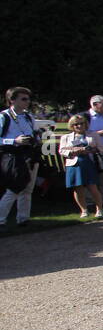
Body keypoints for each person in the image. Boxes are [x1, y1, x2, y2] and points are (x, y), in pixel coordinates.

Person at [0, 86, 41, 229]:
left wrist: (36, 137)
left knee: (28, 189)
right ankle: (1, 219)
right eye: (23, 99)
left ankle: (23, 218)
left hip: (29, 154)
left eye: (28, 99)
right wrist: (14, 141)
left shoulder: (28, 116)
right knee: (14, 188)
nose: (27, 102)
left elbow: (35, 132)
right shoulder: (4, 116)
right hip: (13, 155)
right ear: (12, 100)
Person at [60, 114, 103, 219]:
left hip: (89, 162)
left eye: (81, 124)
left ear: (86, 124)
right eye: (76, 124)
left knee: (93, 187)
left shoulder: (93, 135)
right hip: (74, 164)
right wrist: (73, 151)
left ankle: (99, 209)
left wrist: (90, 150)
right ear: (72, 126)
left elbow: (101, 148)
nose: (79, 126)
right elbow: (62, 150)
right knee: (78, 189)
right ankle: (84, 210)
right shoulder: (66, 137)